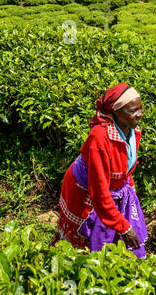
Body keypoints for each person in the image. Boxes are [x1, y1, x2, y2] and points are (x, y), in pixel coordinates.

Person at [52, 83, 148, 257]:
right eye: (133, 110)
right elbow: (99, 192)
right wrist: (124, 227)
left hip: (111, 187)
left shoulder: (133, 131)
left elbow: (126, 168)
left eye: (140, 108)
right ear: (115, 113)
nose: (139, 114)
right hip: (84, 191)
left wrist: (130, 198)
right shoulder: (100, 138)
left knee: (114, 236)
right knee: (83, 243)